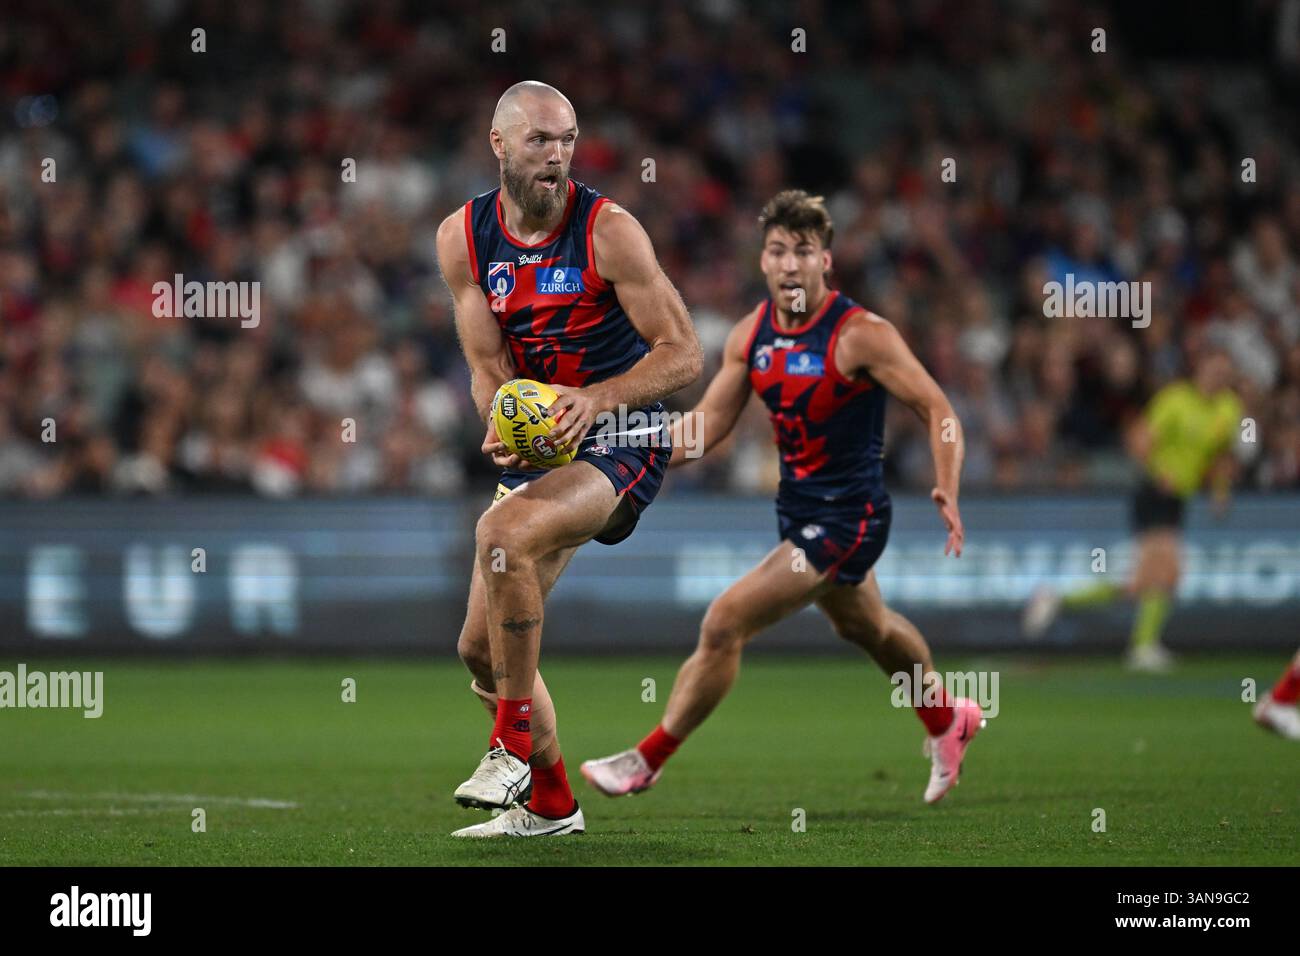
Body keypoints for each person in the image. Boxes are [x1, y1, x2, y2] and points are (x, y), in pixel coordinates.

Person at [581, 190, 984, 806]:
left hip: (850, 518)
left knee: (725, 621)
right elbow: (704, 429)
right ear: (762, 263)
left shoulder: (861, 336)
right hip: (797, 513)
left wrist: (949, 487)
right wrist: (609, 442)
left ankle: (646, 759)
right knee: (870, 629)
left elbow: (938, 408)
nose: (790, 263)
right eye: (778, 251)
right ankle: (947, 720)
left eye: (804, 250)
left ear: (826, 262)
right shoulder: (750, 337)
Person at [434, 81, 702, 837]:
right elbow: (487, 364)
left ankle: (510, 748)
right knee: (480, 652)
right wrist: (499, 419)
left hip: (625, 435)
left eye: (567, 140)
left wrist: (599, 398)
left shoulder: (609, 231)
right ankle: (552, 806)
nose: (557, 157)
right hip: (546, 445)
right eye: (539, 141)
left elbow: (683, 352)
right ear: (499, 146)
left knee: (502, 536)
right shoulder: (462, 237)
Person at [1023, 349, 1243, 671]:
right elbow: (1139, 438)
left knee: (1143, 582)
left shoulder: (1230, 409)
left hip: (1179, 498)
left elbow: (1223, 457)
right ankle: (1142, 647)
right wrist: (1159, 470)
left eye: (1224, 372)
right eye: (1213, 369)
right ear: (1200, 370)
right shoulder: (1175, 399)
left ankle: (1057, 599)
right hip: (1154, 492)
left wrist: (1220, 492)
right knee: (1167, 570)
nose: (1218, 377)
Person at [1254, 650, 1300, 739]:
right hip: (1279, 707)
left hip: (1286, 708)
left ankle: (1282, 727)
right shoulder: (1295, 672)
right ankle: (1281, 727)